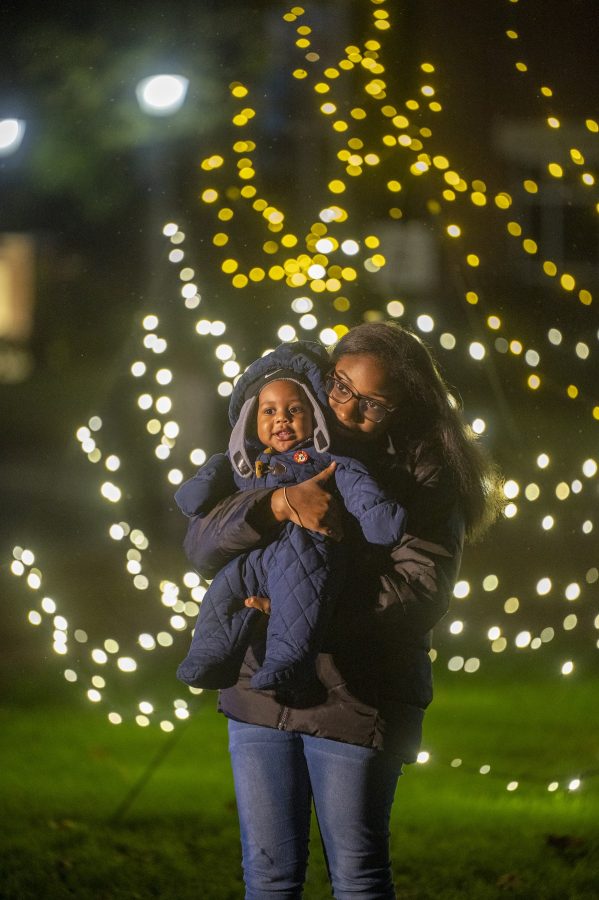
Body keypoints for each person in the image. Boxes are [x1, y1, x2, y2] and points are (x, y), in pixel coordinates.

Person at [179, 322, 502, 899]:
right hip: (259, 691)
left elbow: (418, 591)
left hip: (357, 696)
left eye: (373, 403)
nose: (348, 408)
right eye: (341, 386)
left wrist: (304, 613)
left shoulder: (424, 474)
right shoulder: (271, 452)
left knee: (356, 876)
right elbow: (202, 546)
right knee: (269, 876)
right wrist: (277, 503)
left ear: (404, 408)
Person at [174, 341, 407, 693]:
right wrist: (199, 492)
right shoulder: (243, 463)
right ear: (251, 420)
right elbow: (200, 506)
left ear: (314, 413)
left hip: (303, 548)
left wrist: (377, 515)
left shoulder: (327, 459)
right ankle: (210, 656)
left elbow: (356, 484)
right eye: (268, 412)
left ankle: (288, 662)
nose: (281, 418)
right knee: (223, 593)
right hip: (251, 556)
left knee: (298, 592)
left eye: (294, 409)